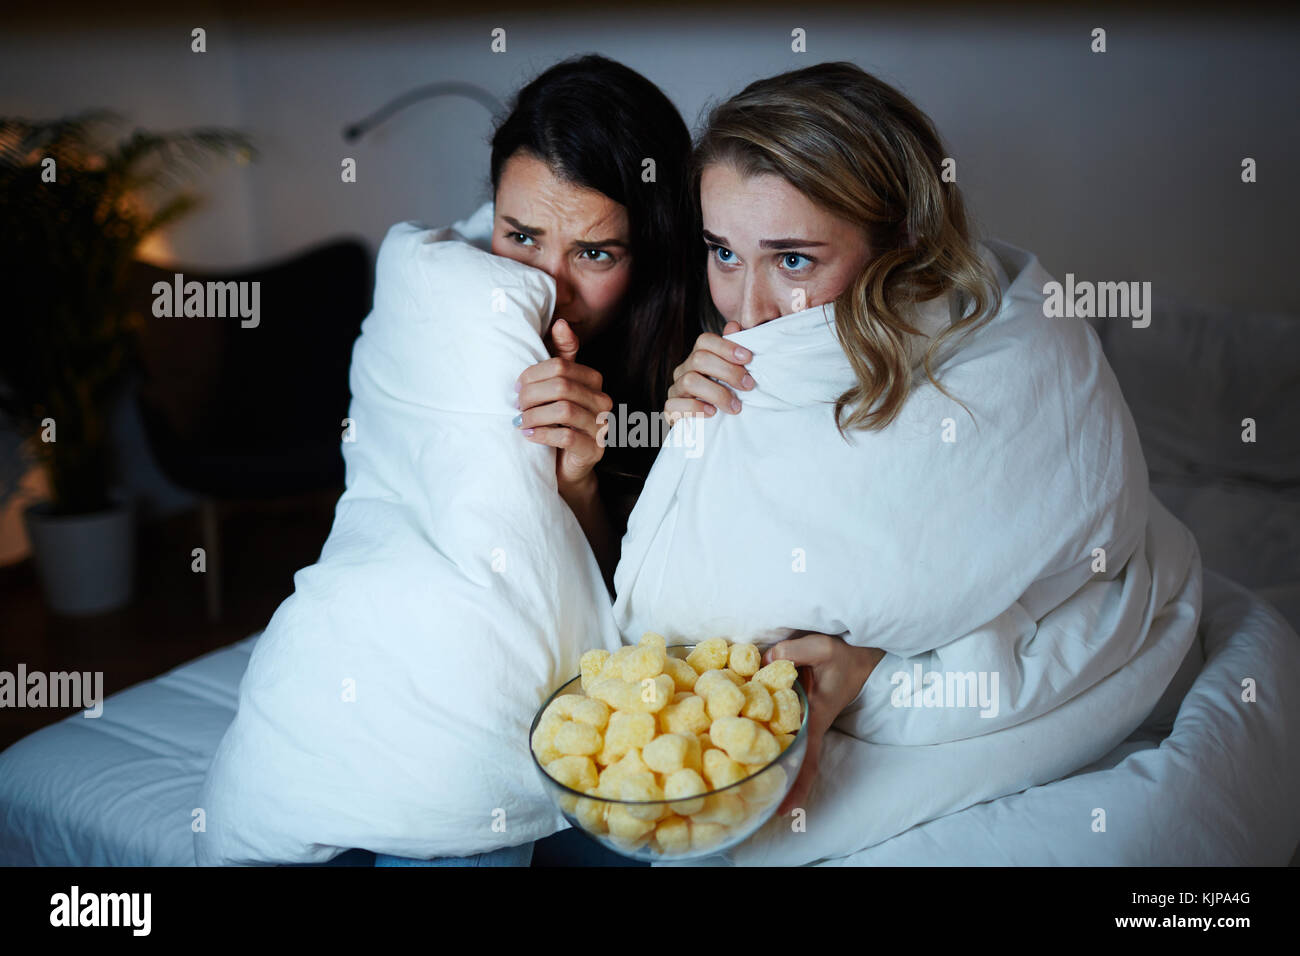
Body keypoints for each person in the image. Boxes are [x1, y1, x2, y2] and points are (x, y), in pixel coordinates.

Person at [371, 53, 697, 868]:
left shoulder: (697, 358)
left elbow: (652, 621)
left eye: (596, 253)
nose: (548, 287)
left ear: (649, 248)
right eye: (521, 237)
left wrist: (582, 483)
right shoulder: (450, 305)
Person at [664, 60, 1013, 819]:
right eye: (724, 252)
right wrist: (684, 445)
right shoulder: (713, 370)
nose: (747, 308)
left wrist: (874, 658)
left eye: (792, 260)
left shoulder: (993, 376)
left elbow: (1043, 582)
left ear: (904, 244)